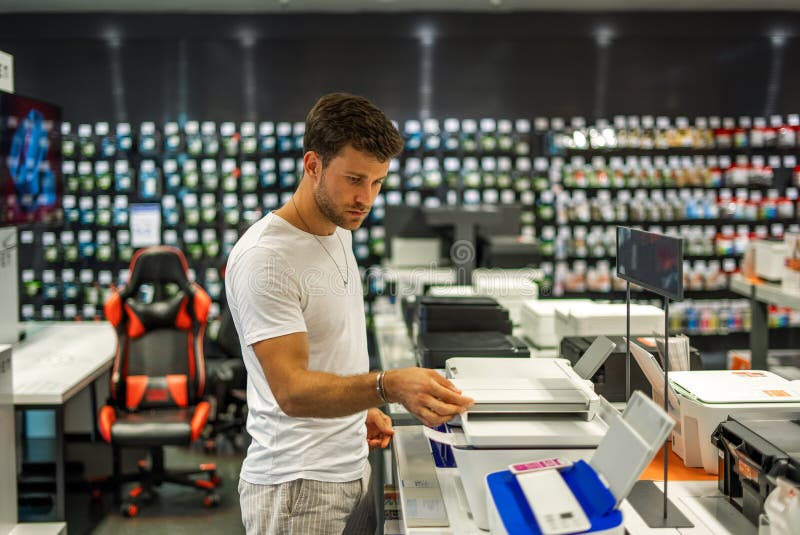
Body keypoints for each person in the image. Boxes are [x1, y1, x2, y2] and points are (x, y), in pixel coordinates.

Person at [226, 92, 474, 535]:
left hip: (348, 467)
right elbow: (291, 391)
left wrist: (357, 410)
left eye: (377, 182)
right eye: (355, 179)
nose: (366, 198)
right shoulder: (267, 258)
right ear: (313, 166)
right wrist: (386, 385)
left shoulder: (338, 228)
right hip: (297, 488)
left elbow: (328, 354)